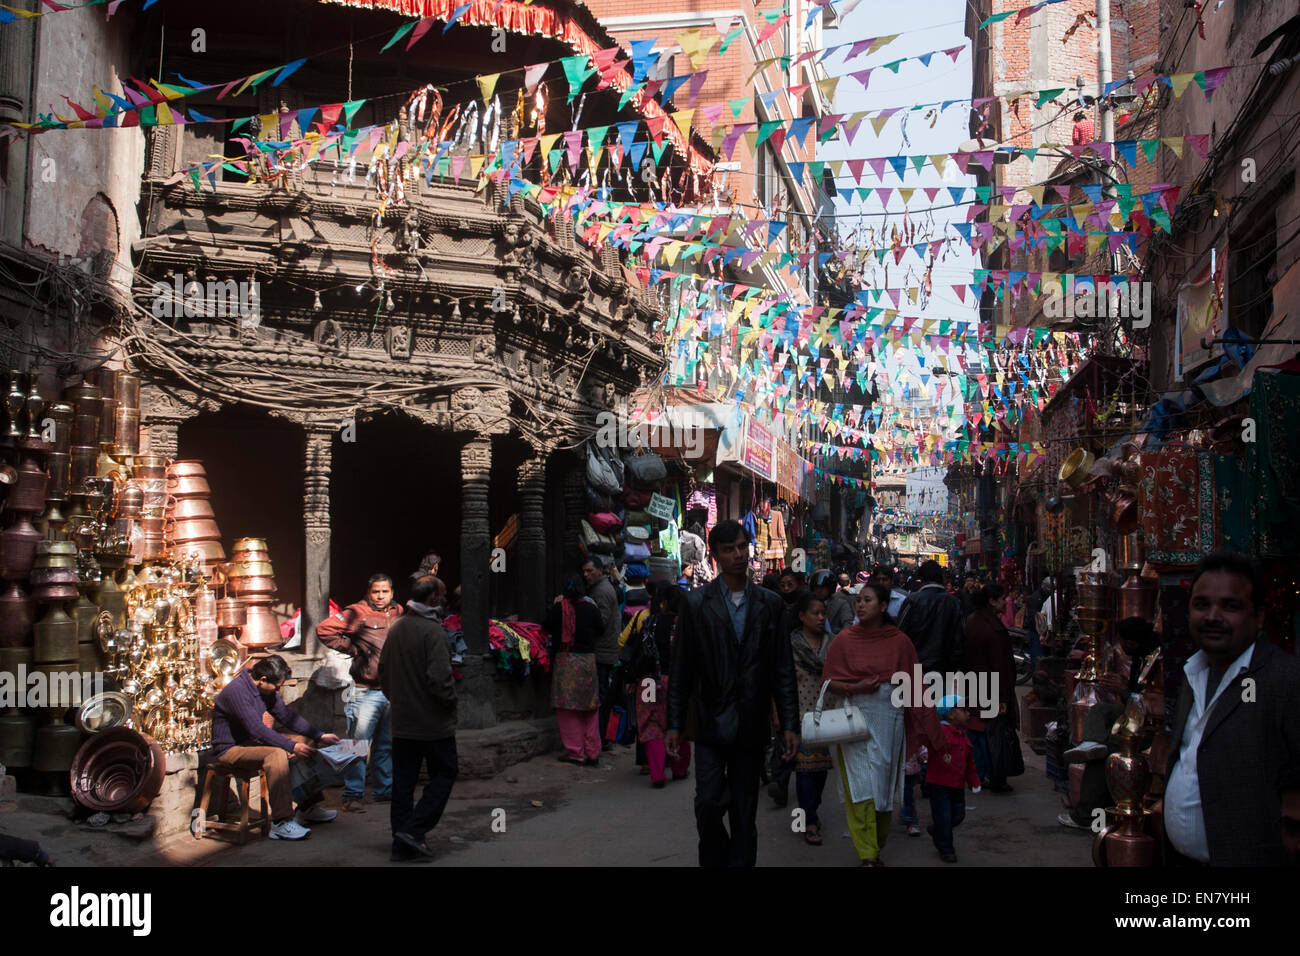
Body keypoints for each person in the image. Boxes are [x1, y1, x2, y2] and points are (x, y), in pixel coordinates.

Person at [667, 519, 799, 867]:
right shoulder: (696, 605)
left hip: (752, 724)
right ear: (715, 556)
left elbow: (783, 670)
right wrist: (674, 724)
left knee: (744, 813)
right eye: (729, 549)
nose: (739, 554)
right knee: (709, 803)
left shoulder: (769, 605)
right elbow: (681, 669)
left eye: (742, 546)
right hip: (711, 722)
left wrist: (790, 724)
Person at [1160, 551, 1300, 866]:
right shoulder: (1194, 673)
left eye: (1230, 606)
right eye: (1202, 604)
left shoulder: (1285, 680)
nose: (1212, 616)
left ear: (1259, 616)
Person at [821, 582, 945, 865]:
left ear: (884, 606)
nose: (860, 605)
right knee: (859, 785)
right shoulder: (843, 640)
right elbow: (829, 684)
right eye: (858, 601)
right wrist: (857, 687)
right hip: (852, 720)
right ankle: (867, 854)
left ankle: (874, 847)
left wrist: (933, 730)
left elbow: (915, 687)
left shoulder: (900, 642)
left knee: (883, 786)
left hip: (890, 721)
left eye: (867, 600)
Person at [211, 654, 341, 842]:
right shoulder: (236, 692)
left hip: (251, 743)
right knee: (277, 754)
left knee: (306, 742)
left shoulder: (267, 691)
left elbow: (287, 716)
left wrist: (318, 735)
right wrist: (291, 746)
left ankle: (307, 807)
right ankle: (281, 821)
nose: (278, 691)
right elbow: (256, 730)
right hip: (230, 749)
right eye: (277, 686)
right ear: (263, 680)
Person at [377, 575, 458, 861]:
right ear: (433, 598)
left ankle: (401, 845)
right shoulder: (433, 632)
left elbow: (383, 673)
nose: (446, 598)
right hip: (433, 724)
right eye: (443, 593)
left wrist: (399, 701)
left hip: (402, 722)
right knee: (445, 773)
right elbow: (440, 681)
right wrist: (450, 702)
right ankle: (414, 830)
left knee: (403, 783)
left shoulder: (397, 628)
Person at [315, 573, 402, 812]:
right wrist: (352, 648)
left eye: (385, 591)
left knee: (385, 745)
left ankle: (385, 790)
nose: (381, 596)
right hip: (366, 692)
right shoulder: (357, 612)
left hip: (391, 692)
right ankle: (352, 795)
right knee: (357, 745)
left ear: (392, 593)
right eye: (376, 592)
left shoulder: (398, 612)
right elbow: (325, 630)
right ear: (368, 593)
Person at [625, 583, 691, 787]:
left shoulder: (649, 622)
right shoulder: (684, 625)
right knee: (678, 723)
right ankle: (679, 769)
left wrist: (632, 678)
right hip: (677, 681)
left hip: (648, 681)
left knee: (652, 725)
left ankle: (657, 774)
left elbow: (637, 650)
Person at [788, 590, 835, 845]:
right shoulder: (790, 644)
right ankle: (810, 820)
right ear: (801, 616)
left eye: (823, 614)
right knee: (805, 770)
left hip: (828, 714)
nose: (820, 618)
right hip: (800, 714)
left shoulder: (833, 642)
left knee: (820, 771)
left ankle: (811, 809)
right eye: (815, 613)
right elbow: (780, 681)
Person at [963, 584, 1018, 793]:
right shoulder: (990, 627)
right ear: (992, 601)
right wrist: (1003, 697)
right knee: (989, 733)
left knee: (979, 731)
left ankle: (981, 773)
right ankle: (989, 774)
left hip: (978, 684)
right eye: (1001, 598)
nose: (1005, 602)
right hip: (989, 687)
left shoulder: (975, 620)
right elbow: (1000, 665)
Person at [546, 573, 605, 766]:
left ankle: (576, 751)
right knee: (590, 708)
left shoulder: (558, 609)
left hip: (566, 662)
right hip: (587, 662)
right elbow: (601, 630)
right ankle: (593, 751)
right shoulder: (591, 608)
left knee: (568, 709)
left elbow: (545, 626)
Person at [926, 695, 983, 862]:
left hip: (957, 785)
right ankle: (946, 848)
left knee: (958, 815)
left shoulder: (963, 736)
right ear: (950, 714)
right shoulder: (940, 733)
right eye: (963, 710)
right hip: (938, 783)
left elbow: (969, 763)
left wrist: (974, 781)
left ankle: (938, 830)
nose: (968, 714)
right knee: (943, 815)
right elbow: (927, 744)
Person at [897, 560, 966, 677]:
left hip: (916, 669)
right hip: (944, 669)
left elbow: (900, 633)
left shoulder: (912, 600)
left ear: (921, 579)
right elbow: (960, 638)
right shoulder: (954, 602)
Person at [582, 557, 621, 750]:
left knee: (601, 696)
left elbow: (602, 622)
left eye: (590, 571)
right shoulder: (600, 589)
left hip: (602, 650)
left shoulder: (602, 592)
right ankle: (601, 737)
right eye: (585, 571)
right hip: (604, 649)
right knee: (601, 694)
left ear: (599, 570)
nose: (586, 575)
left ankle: (601, 737)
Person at [814, 569, 855, 635]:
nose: (819, 591)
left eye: (822, 588)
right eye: (816, 587)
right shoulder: (809, 604)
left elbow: (848, 623)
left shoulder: (840, 603)